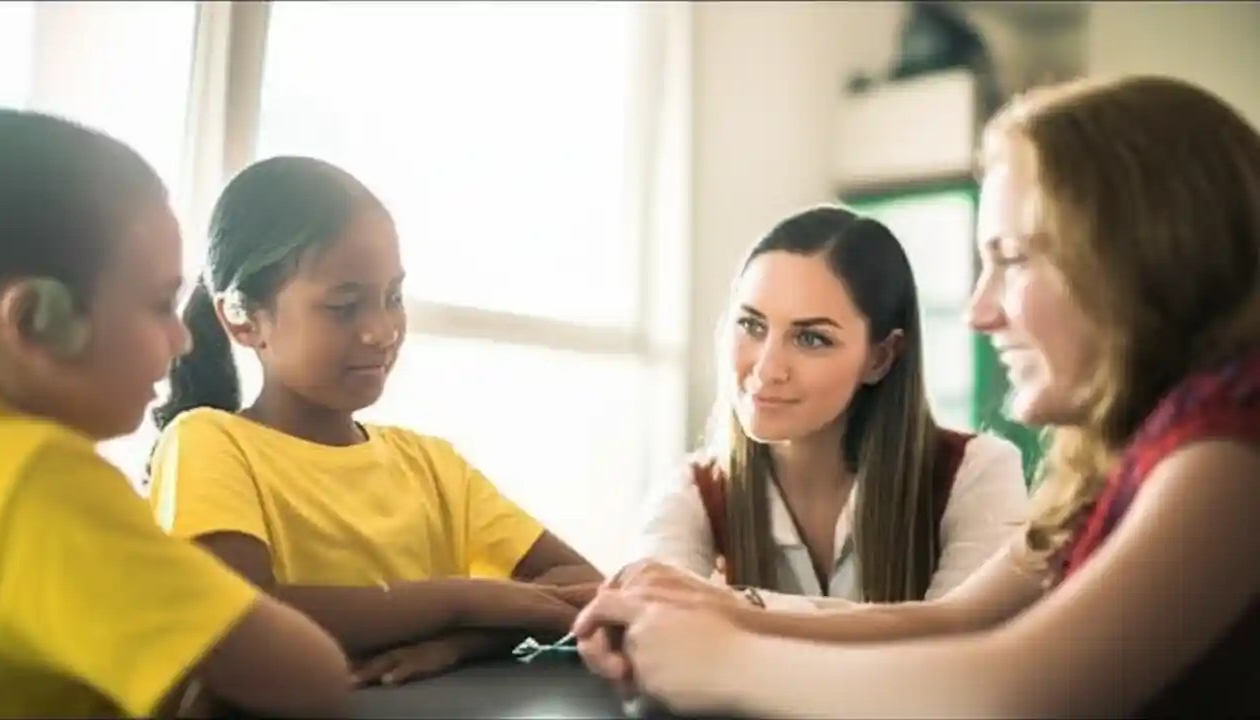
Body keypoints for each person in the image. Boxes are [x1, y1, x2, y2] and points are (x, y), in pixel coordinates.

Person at [575, 74, 1260, 717]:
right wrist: (724, 613)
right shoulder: (1119, 460)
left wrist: (725, 659)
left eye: (1013, 260)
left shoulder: (1231, 445)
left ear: (1144, 257)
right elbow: (952, 619)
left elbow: (1011, 693)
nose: (979, 311)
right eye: (753, 324)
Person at [147, 155, 602, 688]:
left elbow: (583, 586)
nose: (381, 330)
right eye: (344, 306)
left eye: (392, 298)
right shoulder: (210, 442)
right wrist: (462, 600)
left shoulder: (432, 463)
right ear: (243, 320)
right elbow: (238, 618)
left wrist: (460, 642)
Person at [0, 109, 349, 717]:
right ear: (33, 323)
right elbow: (307, 675)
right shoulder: (36, 479)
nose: (182, 340)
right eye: (158, 305)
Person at [626, 205, 1027, 611]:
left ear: (881, 358)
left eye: (811, 339)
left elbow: (957, 645)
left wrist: (730, 609)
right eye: (751, 325)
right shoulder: (692, 490)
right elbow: (649, 618)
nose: (766, 369)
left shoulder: (975, 475)